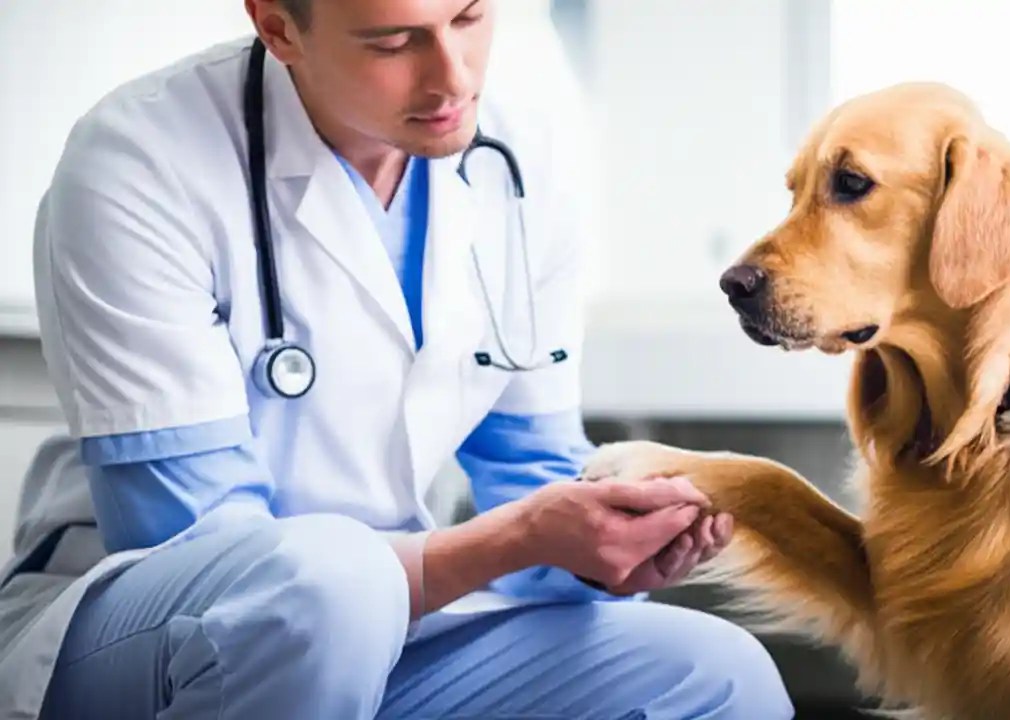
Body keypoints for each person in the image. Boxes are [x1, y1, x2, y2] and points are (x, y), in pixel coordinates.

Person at [0, 1, 794, 717]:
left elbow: (531, 471)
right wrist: (516, 540)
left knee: (716, 676)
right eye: (393, 41)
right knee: (328, 588)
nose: (453, 76)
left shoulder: (515, 171)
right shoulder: (140, 165)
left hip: (395, 613)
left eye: (470, 17)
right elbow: (210, 554)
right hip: (150, 638)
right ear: (278, 27)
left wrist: (605, 551)